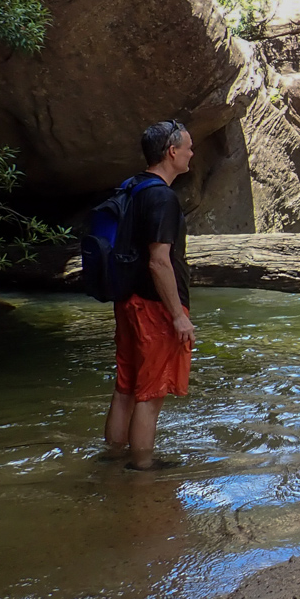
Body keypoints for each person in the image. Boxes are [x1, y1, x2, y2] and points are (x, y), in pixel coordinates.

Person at [105, 120, 197, 470]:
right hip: (154, 308)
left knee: (126, 387)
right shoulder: (162, 197)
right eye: (187, 147)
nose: (191, 153)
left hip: (127, 301)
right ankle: (141, 470)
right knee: (151, 392)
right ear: (171, 152)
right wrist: (178, 315)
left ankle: (113, 458)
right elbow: (159, 262)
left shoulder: (131, 188)